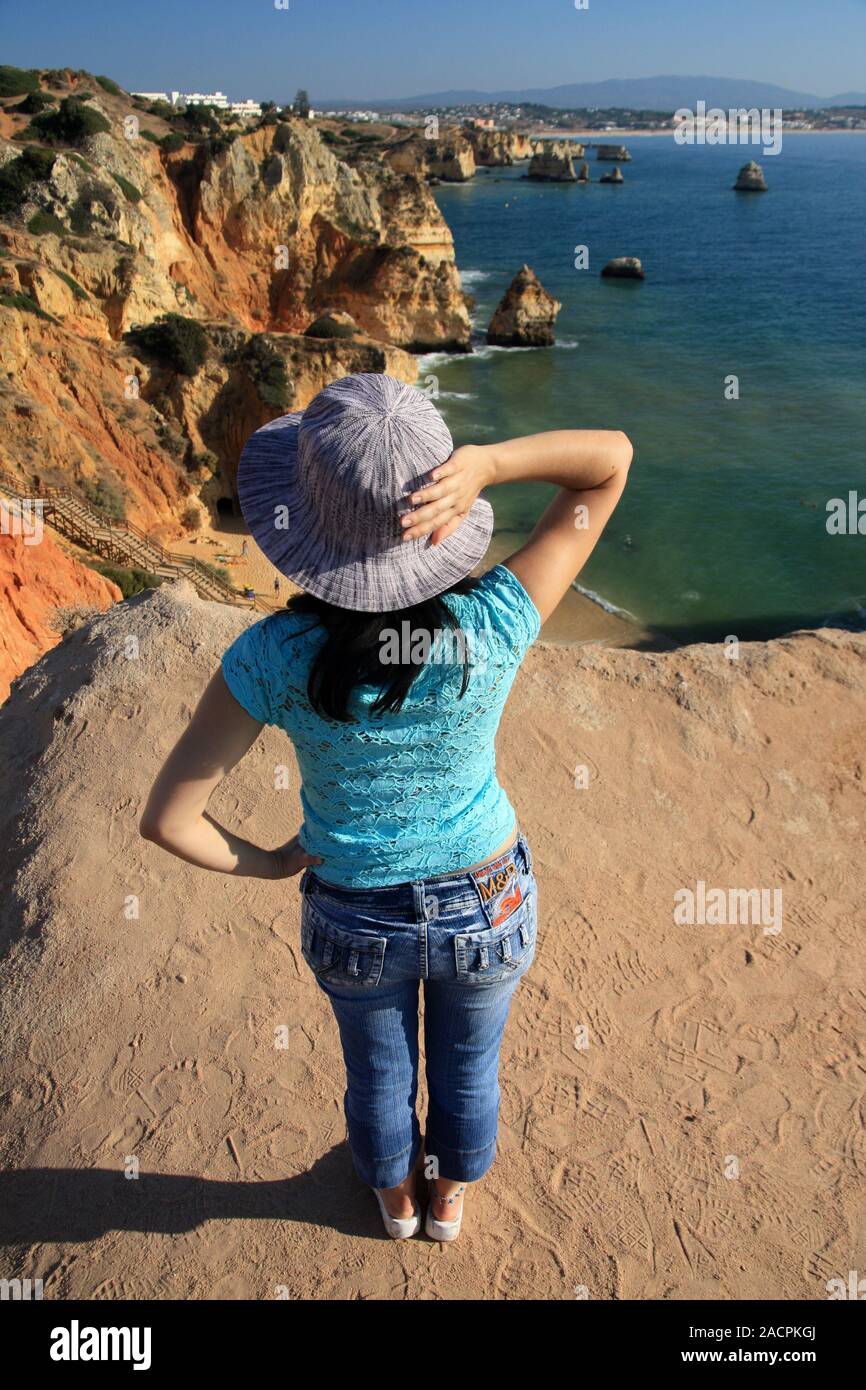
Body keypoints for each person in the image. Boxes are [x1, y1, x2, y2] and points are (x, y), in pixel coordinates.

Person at [140, 374, 632, 1241]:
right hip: (488, 897)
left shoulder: (270, 656)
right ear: (443, 514)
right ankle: (448, 1201)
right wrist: (488, 462)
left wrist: (274, 860)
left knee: (376, 1076)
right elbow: (607, 465)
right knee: (470, 1069)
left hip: (353, 912)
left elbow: (169, 821)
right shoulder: (496, 619)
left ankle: (396, 1200)